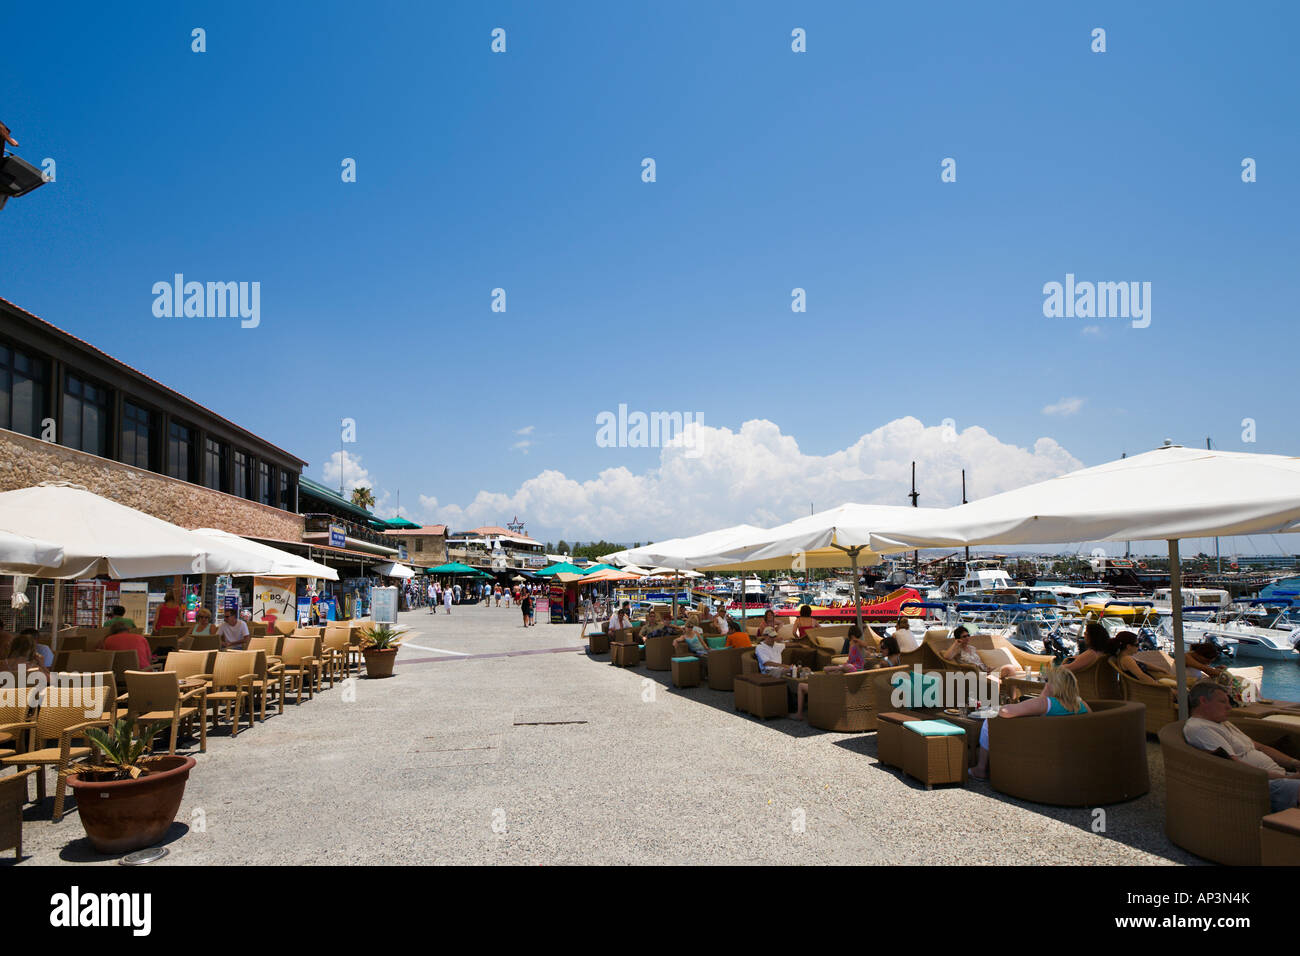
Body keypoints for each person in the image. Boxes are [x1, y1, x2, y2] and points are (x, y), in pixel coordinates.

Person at [1183, 681, 1300, 811]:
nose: (1229, 707)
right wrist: (1286, 778)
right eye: (1223, 702)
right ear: (1203, 701)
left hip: (1280, 776)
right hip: (1257, 785)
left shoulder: (1222, 723)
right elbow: (1234, 765)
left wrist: (1294, 763)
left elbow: (1260, 747)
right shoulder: (1199, 728)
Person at [971, 667, 1089, 780]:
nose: (1045, 683)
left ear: (1054, 685)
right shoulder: (1082, 704)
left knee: (990, 720)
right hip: (1067, 750)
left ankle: (981, 768)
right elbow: (1091, 721)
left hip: (1036, 746)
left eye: (1048, 681)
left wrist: (1044, 694)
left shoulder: (1046, 703)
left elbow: (1005, 712)